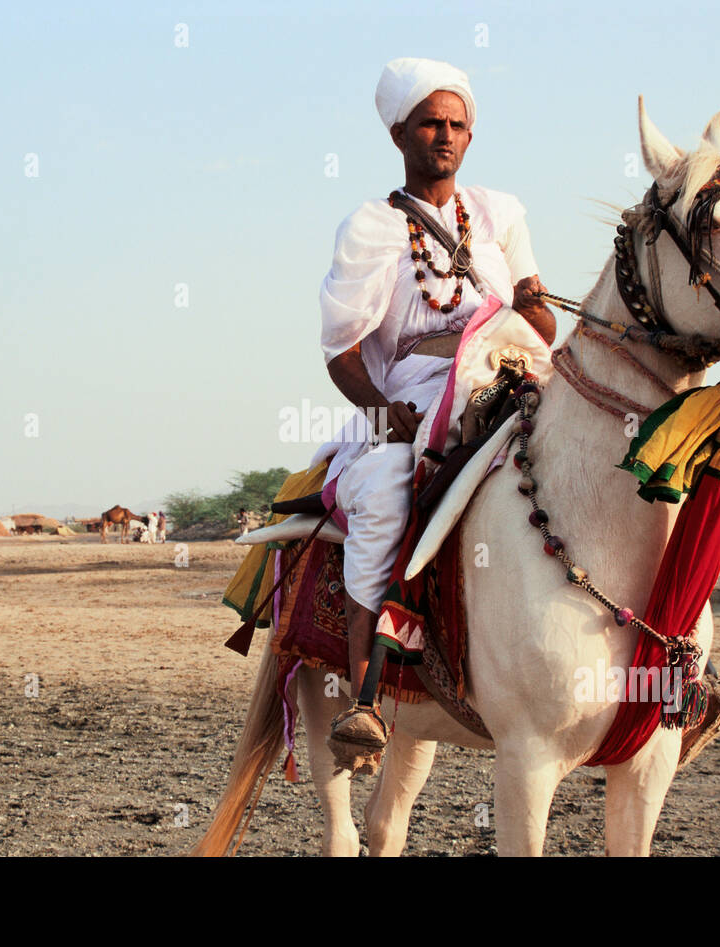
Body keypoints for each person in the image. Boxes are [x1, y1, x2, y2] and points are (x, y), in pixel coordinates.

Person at [318, 58, 556, 750]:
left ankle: (681, 661)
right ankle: (366, 693)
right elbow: (341, 352)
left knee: (604, 454)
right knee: (389, 490)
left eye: (457, 125)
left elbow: (538, 311)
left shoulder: (501, 214)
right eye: (430, 123)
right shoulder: (370, 227)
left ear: (470, 137)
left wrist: (526, 312)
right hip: (415, 403)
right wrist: (381, 411)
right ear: (399, 134)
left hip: (516, 376)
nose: (445, 135)